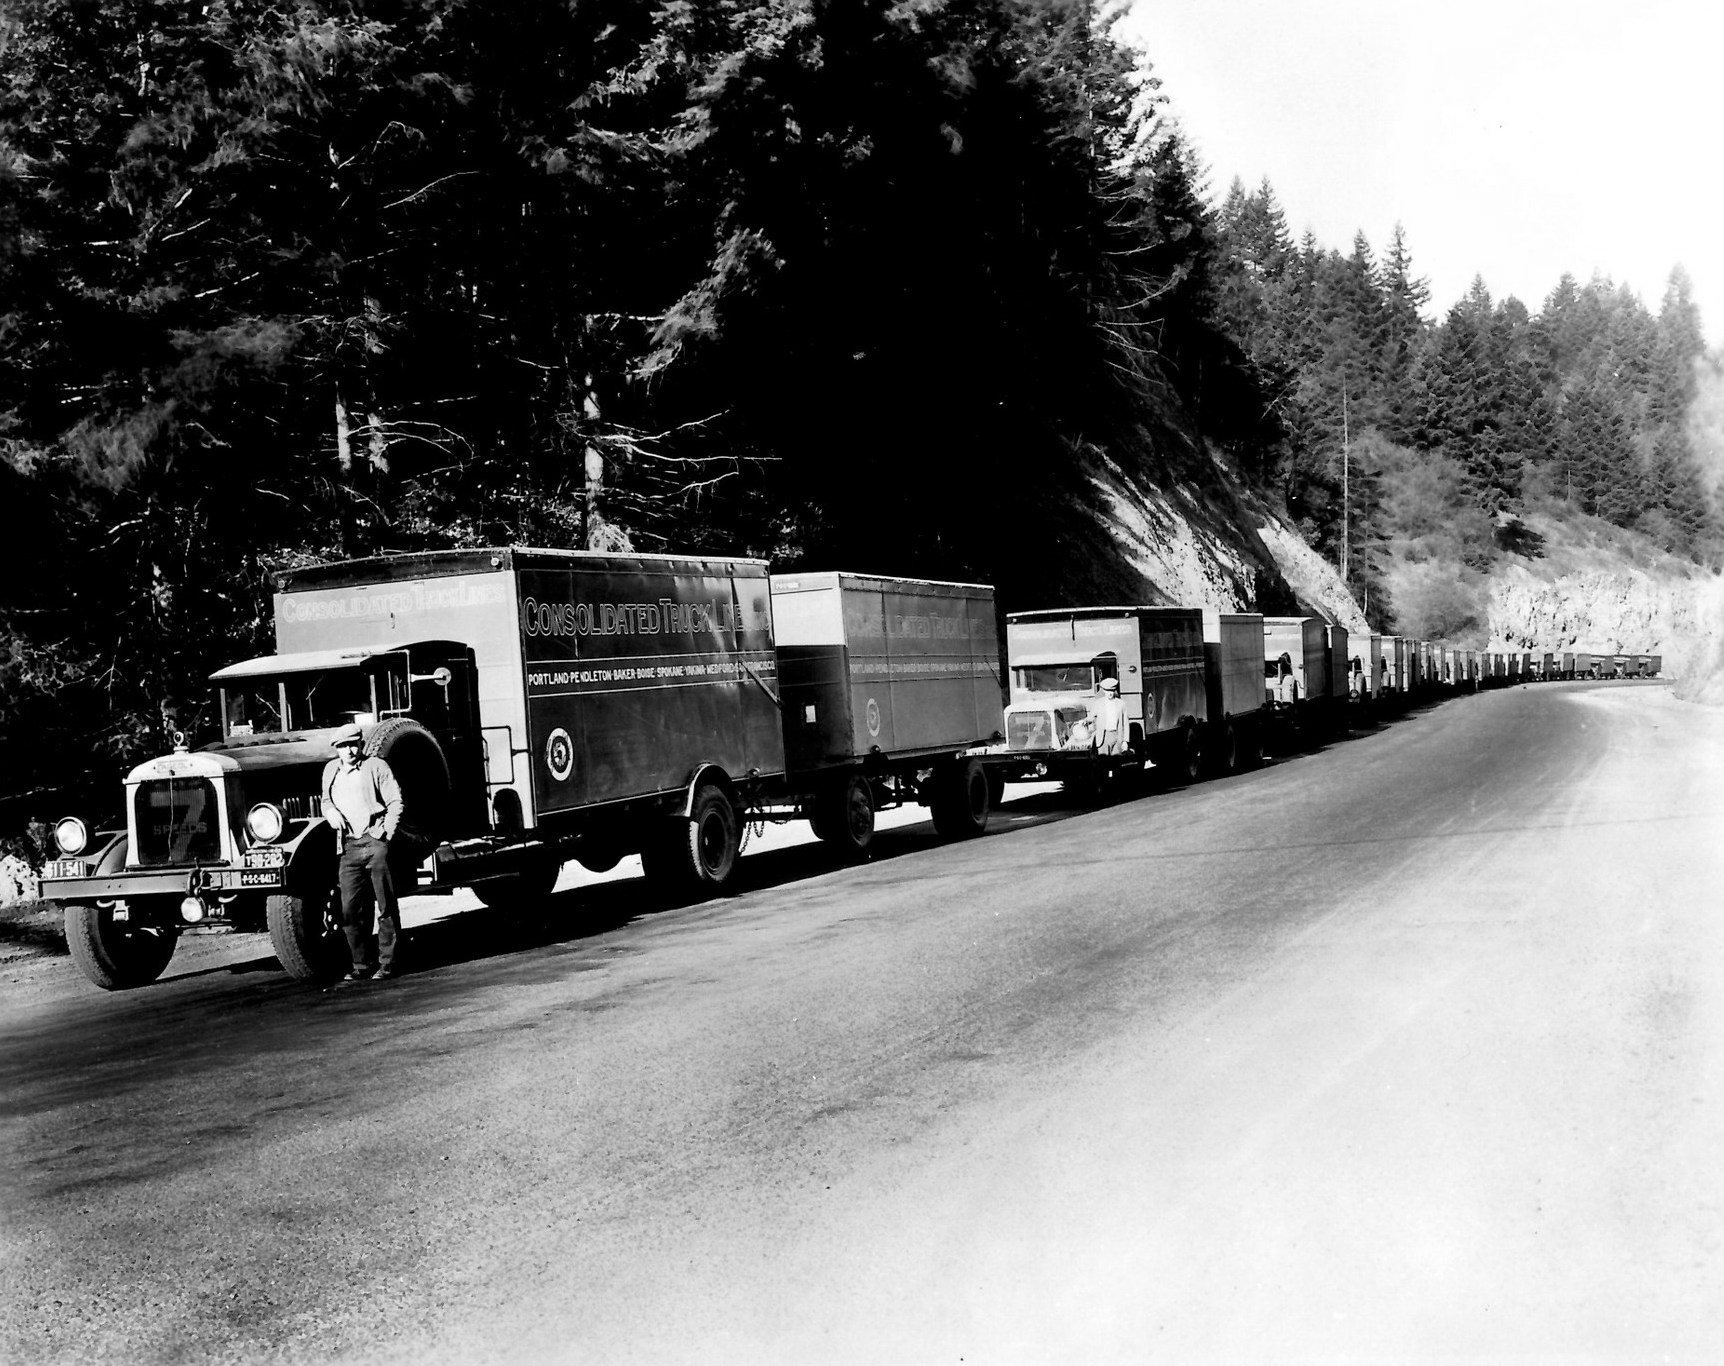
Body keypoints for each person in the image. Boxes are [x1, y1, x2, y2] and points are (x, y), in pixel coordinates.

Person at [321, 722, 405, 981]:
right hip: (348, 846)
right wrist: (330, 812)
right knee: (349, 910)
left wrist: (384, 834)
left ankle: (388, 964)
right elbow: (326, 799)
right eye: (343, 746)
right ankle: (361, 964)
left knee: (385, 907)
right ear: (336, 749)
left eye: (353, 744)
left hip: (374, 841)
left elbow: (395, 801)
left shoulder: (375, 766)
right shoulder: (331, 770)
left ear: (360, 745)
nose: (349, 750)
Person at [1095, 676, 1127, 756]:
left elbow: (1125, 723)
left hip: (1117, 736)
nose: (1110, 693)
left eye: (1112, 691)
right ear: (1103, 691)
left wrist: (1125, 740)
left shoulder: (1121, 704)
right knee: (1103, 761)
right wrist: (1085, 720)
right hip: (1103, 736)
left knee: (1116, 761)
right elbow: (1092, 716)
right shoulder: (1098, 703)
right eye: (1107, 690)